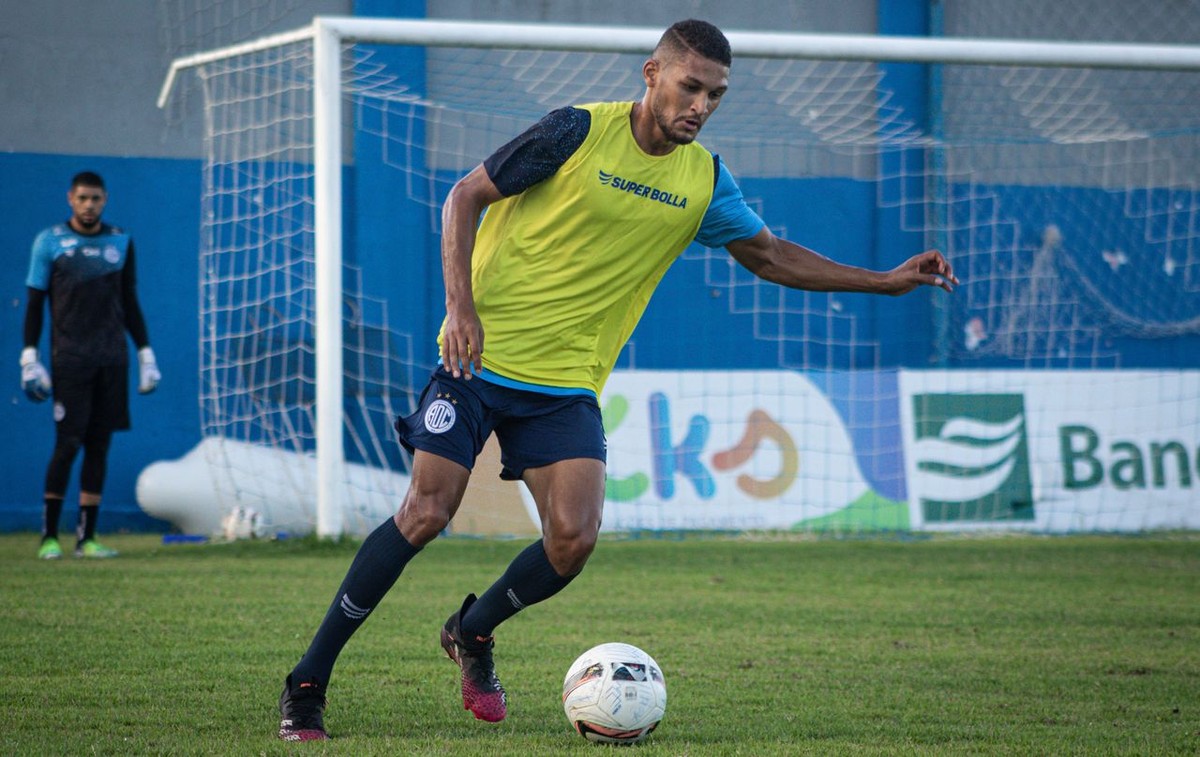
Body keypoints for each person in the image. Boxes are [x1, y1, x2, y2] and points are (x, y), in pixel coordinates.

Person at [277, 19, 957, 741]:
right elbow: (465, 197)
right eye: (689, 86)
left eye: (715, 95)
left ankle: (472, 631)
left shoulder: (702, 181)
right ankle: (308, 682)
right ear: (651, 74)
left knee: (573, 540)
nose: (700, 104)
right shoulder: (575, 131)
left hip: (565, 384)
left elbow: (770, 255)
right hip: (475, 362)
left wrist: (884, 282)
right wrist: (460, 305)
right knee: (426, 510)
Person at [21, 171, 161, 560]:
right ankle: (49, 536)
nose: (89, 205)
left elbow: (129, 302)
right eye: (82, 198)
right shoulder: (50, 243)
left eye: (95, 199)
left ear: (105, 200)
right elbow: (34, 303)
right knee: (67, 444)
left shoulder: (120, 241)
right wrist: (29, 356)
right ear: (70, 198)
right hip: (69, 360)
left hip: (112, 359)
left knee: (99, 446)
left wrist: (144, 353)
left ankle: (87, 539)